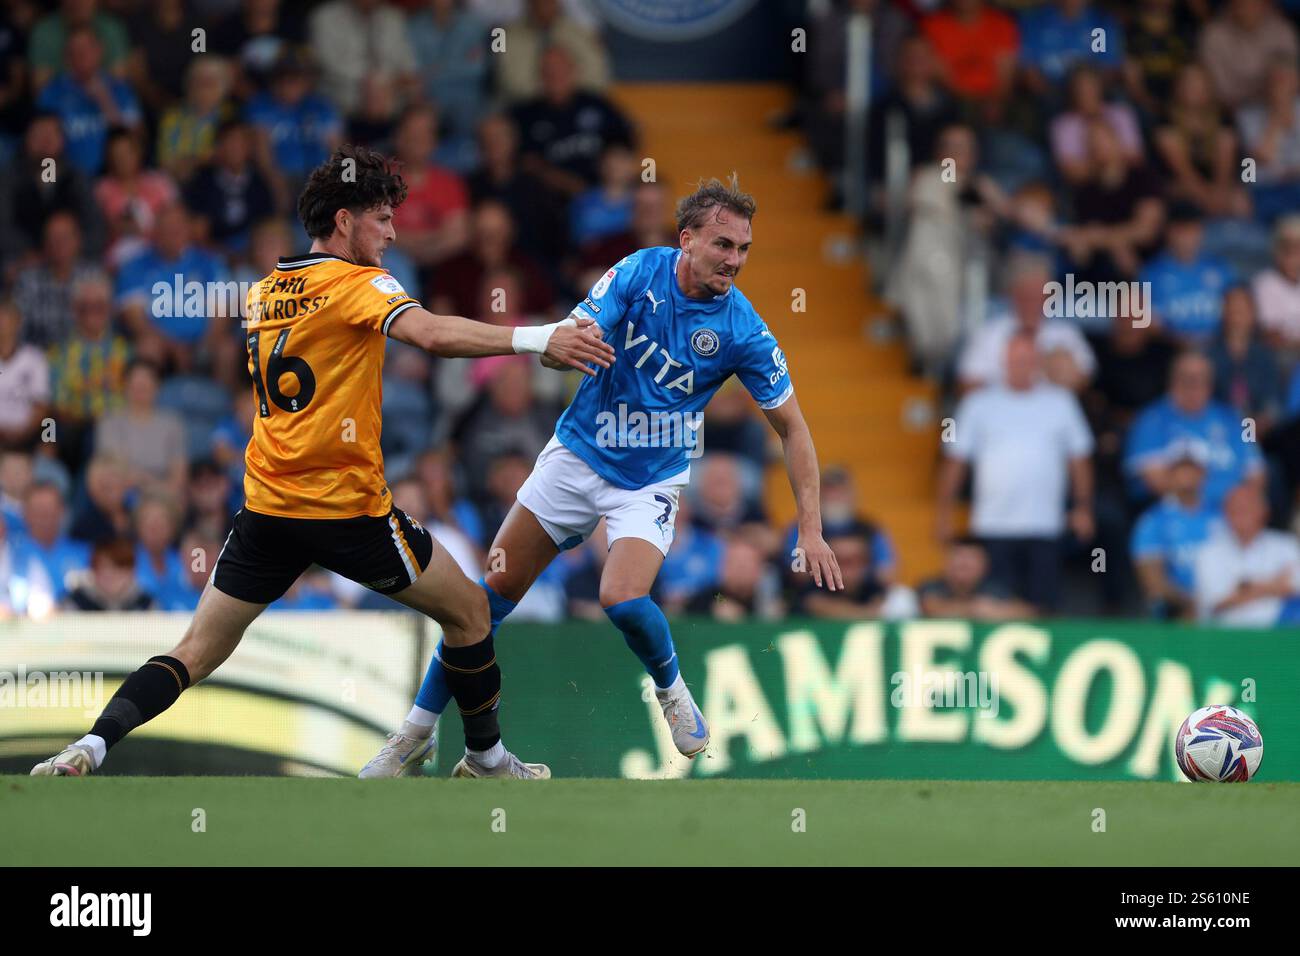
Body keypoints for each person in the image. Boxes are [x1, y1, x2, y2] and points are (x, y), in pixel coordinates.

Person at [30, 143, 613, 779]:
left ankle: (90, 746)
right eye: (382, 219)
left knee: (195, 651)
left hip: (268, 509)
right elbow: (434, 335)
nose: (393, 233)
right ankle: (487, 760)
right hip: (346, 511)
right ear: (344, 220)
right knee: (471, 612)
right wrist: (537, 336)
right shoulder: (357, 283)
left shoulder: (266, 292)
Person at [362, 174, 844, 777]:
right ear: (686, 238)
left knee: (620, 596)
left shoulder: (743, 329)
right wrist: (570, 340)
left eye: (744, 249)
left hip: (649, 479)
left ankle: (670, 691)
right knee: (484, 601)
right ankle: (416, 732)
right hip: (577, 452)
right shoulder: (639, 271)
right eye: (724, 245)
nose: (735, 261)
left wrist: (812, 529)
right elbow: (576, 328)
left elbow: (793, 429)